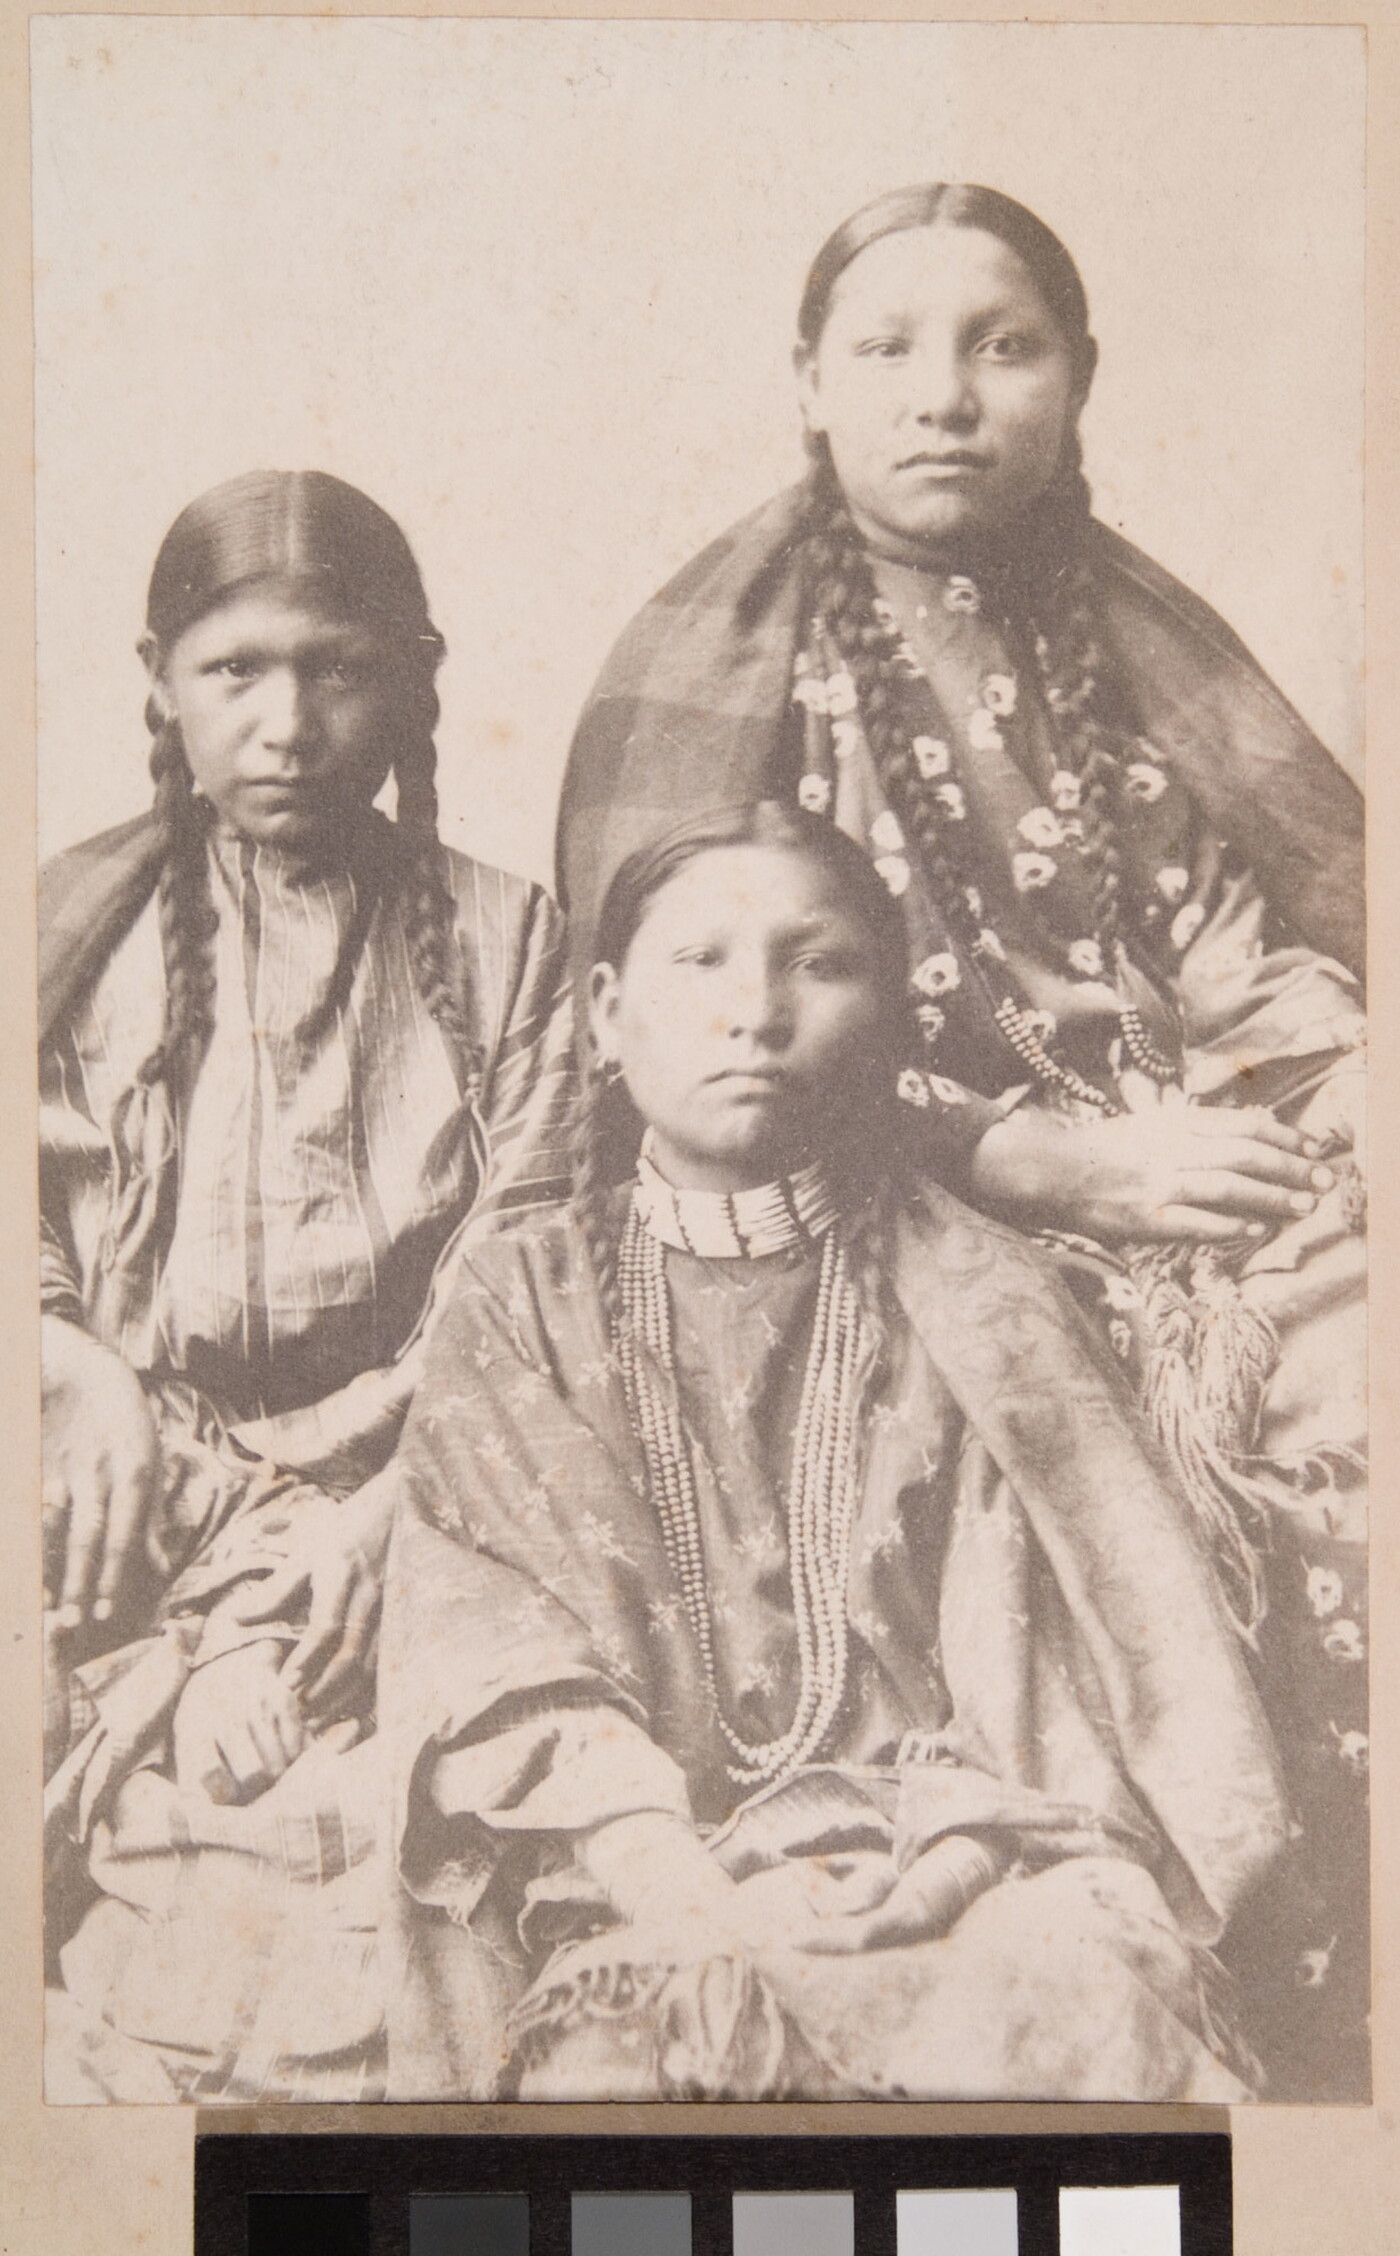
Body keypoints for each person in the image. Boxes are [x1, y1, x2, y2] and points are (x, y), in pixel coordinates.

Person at [555, 188, 1367, 2094]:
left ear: (1081, 384)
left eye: (1005, 347)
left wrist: (1341, 1086)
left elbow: (1248, 948)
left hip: (1201, 1151)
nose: (946, 396)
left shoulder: (1132, 635)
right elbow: (689, 1049)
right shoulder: (715, 657)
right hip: (885, 1196)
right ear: (808, 386)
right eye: (888, 349)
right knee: (1104, 1446)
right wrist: (1040, 1168)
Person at [380, 801, 1288, 2104]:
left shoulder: (979, 1293)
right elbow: (499, 1659)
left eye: (820, 963)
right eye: (699, 963)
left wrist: (944, 1869)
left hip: (976, 1853)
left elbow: (1057, 1685)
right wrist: (688, 1896)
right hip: (635, 1869)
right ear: (599, 1010)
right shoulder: (522, 1299)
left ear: (897, 1020)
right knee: (630, 2066)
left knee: (1085, 2014)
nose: (755, 1010)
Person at [41, 469, 574, 2100]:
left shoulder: (511, 940)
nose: (287, 722)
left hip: (429, 1476)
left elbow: (540, 1267)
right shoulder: (66, 927)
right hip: (125, 1467)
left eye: (336, 669)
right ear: (159, 682)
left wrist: (391, 1502)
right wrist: (72, 1366)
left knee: (418, 1851)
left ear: (415, 676)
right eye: (235, 671)